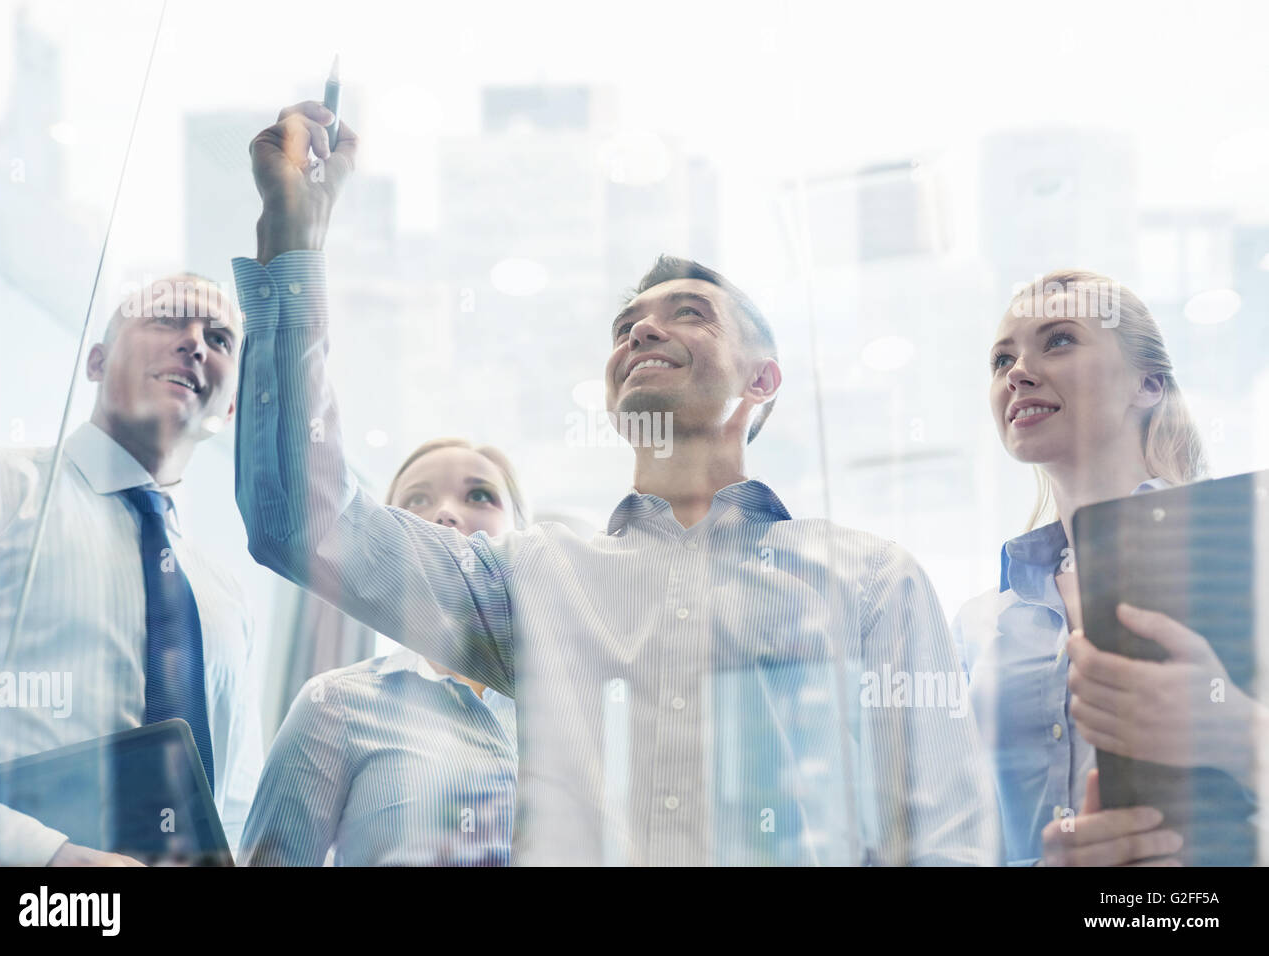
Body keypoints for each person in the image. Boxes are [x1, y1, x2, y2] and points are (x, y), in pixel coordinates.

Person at [231, 101, 1000, 865]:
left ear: (762, 379)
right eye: (626, 325)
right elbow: (302, 521)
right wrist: (292, 242)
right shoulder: (533, 582)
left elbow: (945, 846)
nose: (641, 331)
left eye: (689, 313)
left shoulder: (872, 582)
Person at [953, 269, 1266, 866]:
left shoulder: (1247, 562)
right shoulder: (977, 627)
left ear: (1147, 385)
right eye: (1000, 360)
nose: (1016, 371)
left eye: (1060, 339)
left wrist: (1240, 735)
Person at [0, 274, 261, 866]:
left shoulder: (225, 599)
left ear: (229, 407)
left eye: (221, 338)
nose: (195, 343)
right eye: (165, 319)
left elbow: (235, 804)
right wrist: (46, 858)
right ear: (97, 361)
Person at [239, 438, 522, 866]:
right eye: (416, 499)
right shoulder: (334, 705)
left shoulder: (577, 709)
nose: (446, 512)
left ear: (524, 535)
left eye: (480, 495)